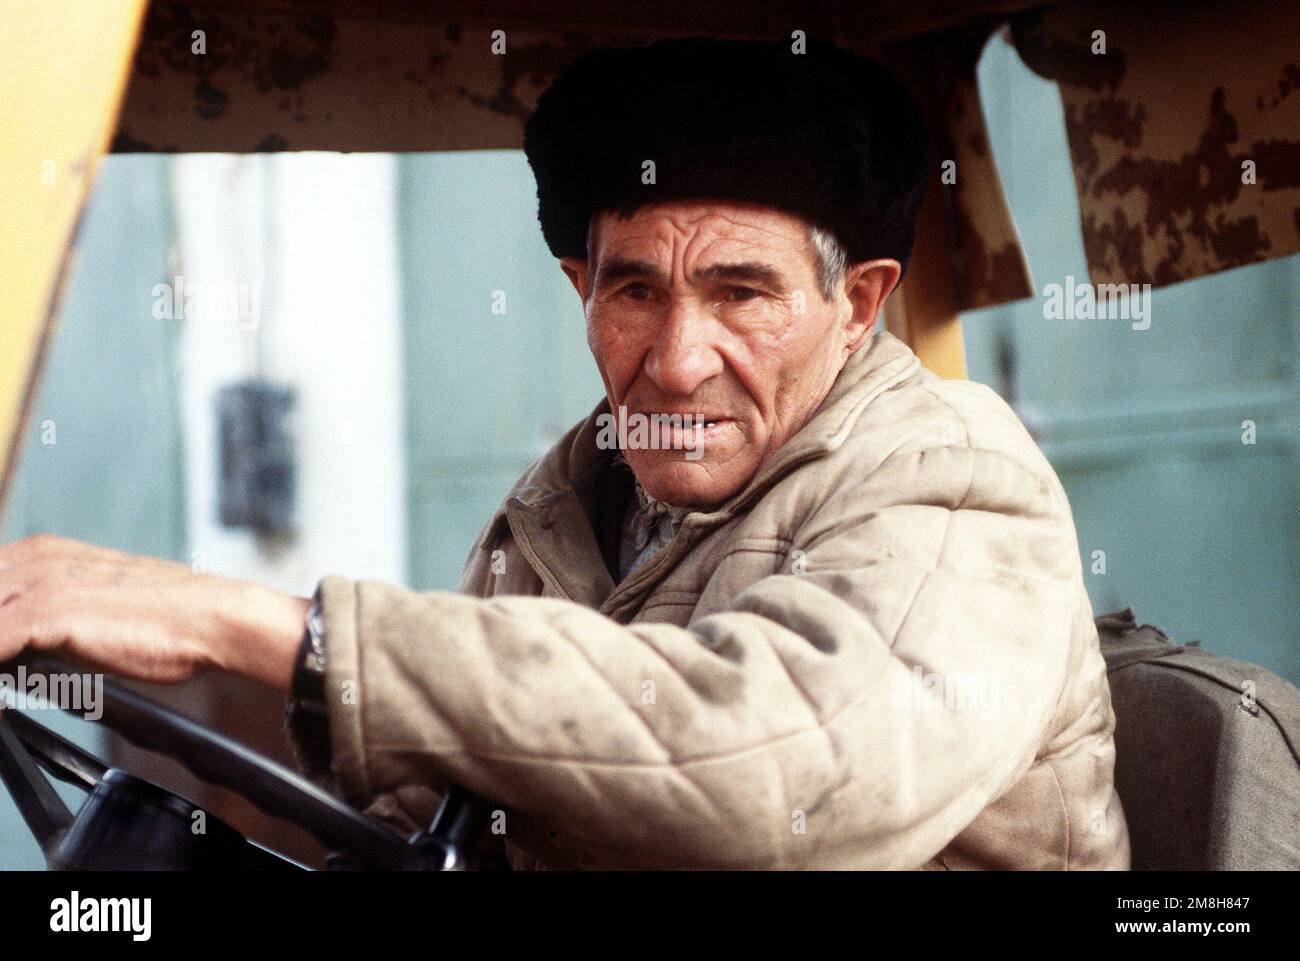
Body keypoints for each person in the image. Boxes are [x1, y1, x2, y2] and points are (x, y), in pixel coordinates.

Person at [0, 37, 1129, 869]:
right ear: (581, 292)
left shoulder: (953, 485)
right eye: (635, 289)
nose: (679, 359)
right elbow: (441, 816)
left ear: (858, 305)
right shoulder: (574, 507)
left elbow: (769, 766)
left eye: (742, 292)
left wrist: (244, 623)